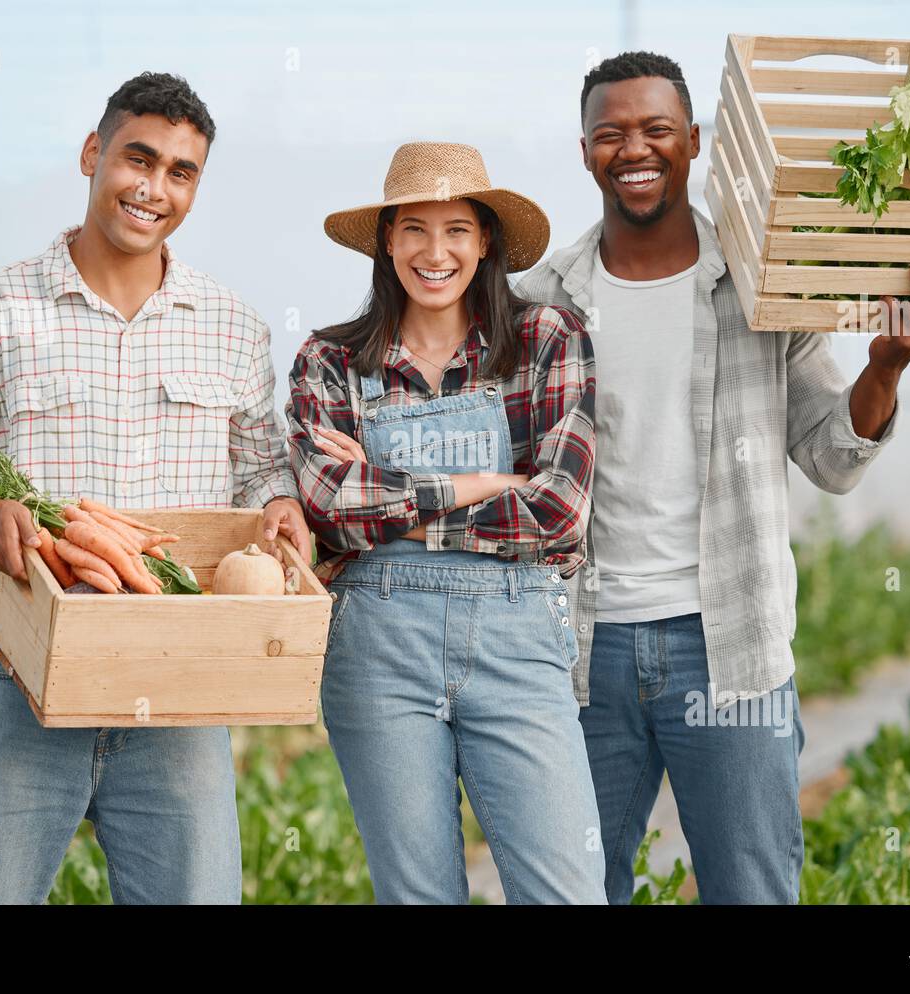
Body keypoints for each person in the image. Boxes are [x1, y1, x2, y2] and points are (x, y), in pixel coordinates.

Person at [516, 52, 910, 904]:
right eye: (611, 133)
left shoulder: (765, 292)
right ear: (584, 151)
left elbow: (831, 456)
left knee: (753, 887)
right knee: (564, 889)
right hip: (577, 652)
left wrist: (887, 367)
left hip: (732, 651)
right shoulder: (540, 302)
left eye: (654, 129)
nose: (632, 149)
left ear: (694, 141)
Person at [0, 71, 310, 904]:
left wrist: (280, 504)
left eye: (180, 172)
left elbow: (262, 468)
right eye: (138, 159)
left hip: (181, 694)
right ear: (94, 154)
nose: (154, 189)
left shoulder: (233, 328)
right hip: (22, 673)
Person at [286, 142, 606, 904]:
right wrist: (487, 482)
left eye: (457, 229)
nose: (436, 253)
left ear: (486, 240)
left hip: (517, 637)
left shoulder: (549, 339)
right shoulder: (328, 362)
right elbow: (330, 506)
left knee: (567, 891)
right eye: (414, 231)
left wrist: (386, 498)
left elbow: (559, 512)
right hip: (377, 649)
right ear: (386, 242)